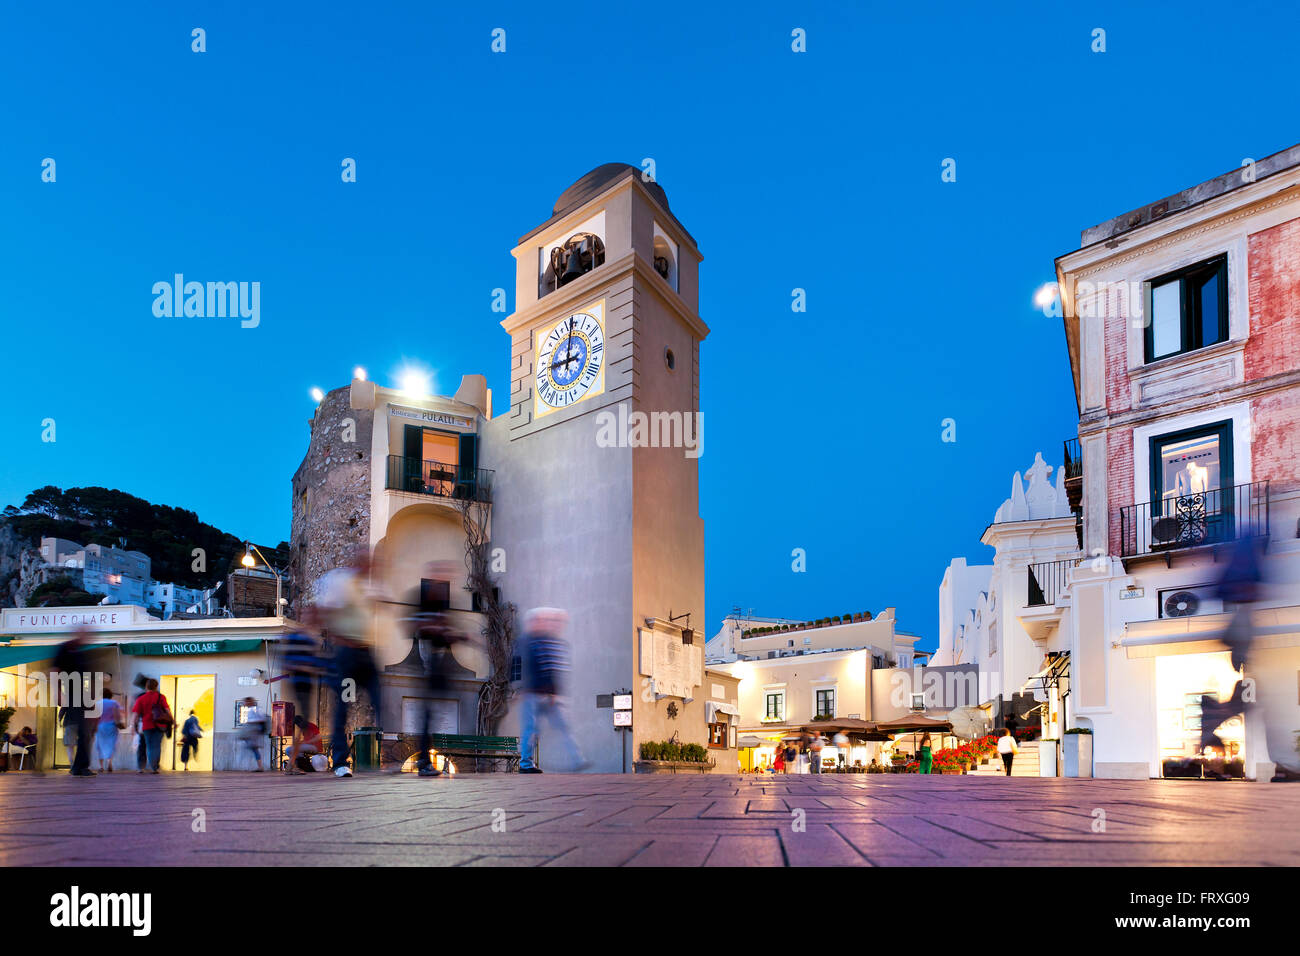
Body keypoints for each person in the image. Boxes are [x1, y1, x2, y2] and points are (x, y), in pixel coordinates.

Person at [315, 550, 383, 778]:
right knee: (344, 706)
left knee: (380, 698)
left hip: (366, 653)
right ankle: (341, 762)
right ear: (357, 562)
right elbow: (325, 611)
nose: (370, 567)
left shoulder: (369, 588)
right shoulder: (341, 582)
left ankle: (388, 754)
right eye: (367, 563)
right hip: (346, 654)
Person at [516, 607, 586, 774]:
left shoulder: (551, 642)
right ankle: (526, 764)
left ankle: (577, 759)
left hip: (548, 694)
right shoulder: (525, 641)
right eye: (540, 620)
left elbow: (553, 670)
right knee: (531, 729)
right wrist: (519, 688)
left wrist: (554, 691)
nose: (544, 623)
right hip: (531, 693)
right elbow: (517, 665)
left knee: (563, 726)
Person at [53, 627, 98, 777]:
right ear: (79, 633)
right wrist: (58, 692)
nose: (87, 638)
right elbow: (55, 671)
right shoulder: (64, 649)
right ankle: (81, 767)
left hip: (81, 697)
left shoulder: (80, 653)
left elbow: (87, 678)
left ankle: (78, 767)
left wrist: (90, 698)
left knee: (84, 733)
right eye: (86, 634)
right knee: (84, 733)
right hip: (72, 696)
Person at [131, 678, 172, 774]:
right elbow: (167, 710)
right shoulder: (161, 697)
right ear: (156, 686)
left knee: (149, 746)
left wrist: (132, 726)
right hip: (160, 725)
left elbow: (135, 714)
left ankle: (146, 766)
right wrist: (172, 720)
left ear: (146, 686)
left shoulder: (141, 698)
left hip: (147, 725)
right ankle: (155, 766)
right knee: (156, 746)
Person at [95, 689, 126, 772]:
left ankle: (101, 766)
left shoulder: (97, 704)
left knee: (100, 745)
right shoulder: (114, 703)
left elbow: (94, 716)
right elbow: (121, 712)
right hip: (112, 726)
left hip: (100, 726)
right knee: (111, 744)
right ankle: (109, 763)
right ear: (111, 695)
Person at [240, 698, 267, 771]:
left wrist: (251, 723)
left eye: (245, 702)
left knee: (253, 748)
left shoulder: (255, 709)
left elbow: (262, 718)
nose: (244, 703)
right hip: (251, 731)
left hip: (253, 731)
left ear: (249, 702)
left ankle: (259, 766)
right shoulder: (250, 710)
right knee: (253, 749)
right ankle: (259, 766)